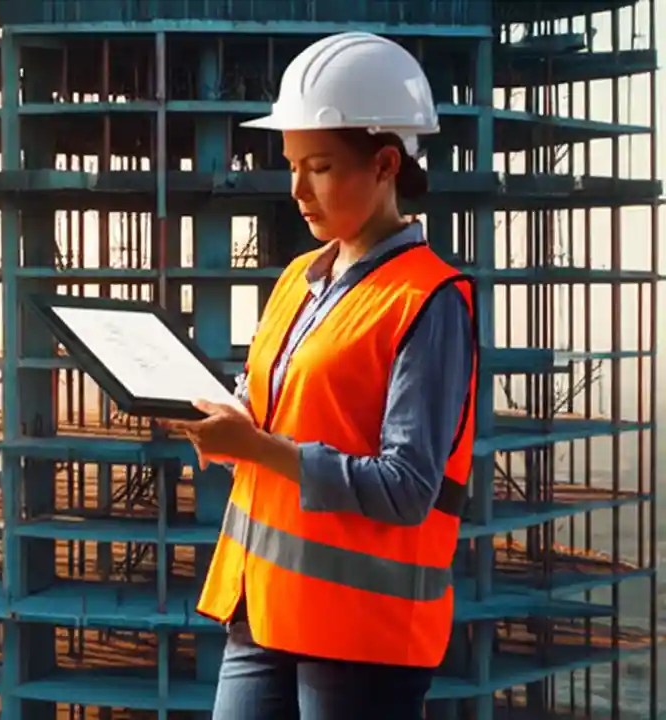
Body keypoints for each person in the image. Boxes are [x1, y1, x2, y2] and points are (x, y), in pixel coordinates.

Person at [166, 32, 477, 719]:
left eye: (321, 167)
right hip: (261, 609)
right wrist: (224, 430)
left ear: (386, 164)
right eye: (291, 166)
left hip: (362, 638)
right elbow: (275, 421)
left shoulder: (428, 299)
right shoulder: (297, 281)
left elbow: (406, 488)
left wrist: (259, 447)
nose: (297, 190)